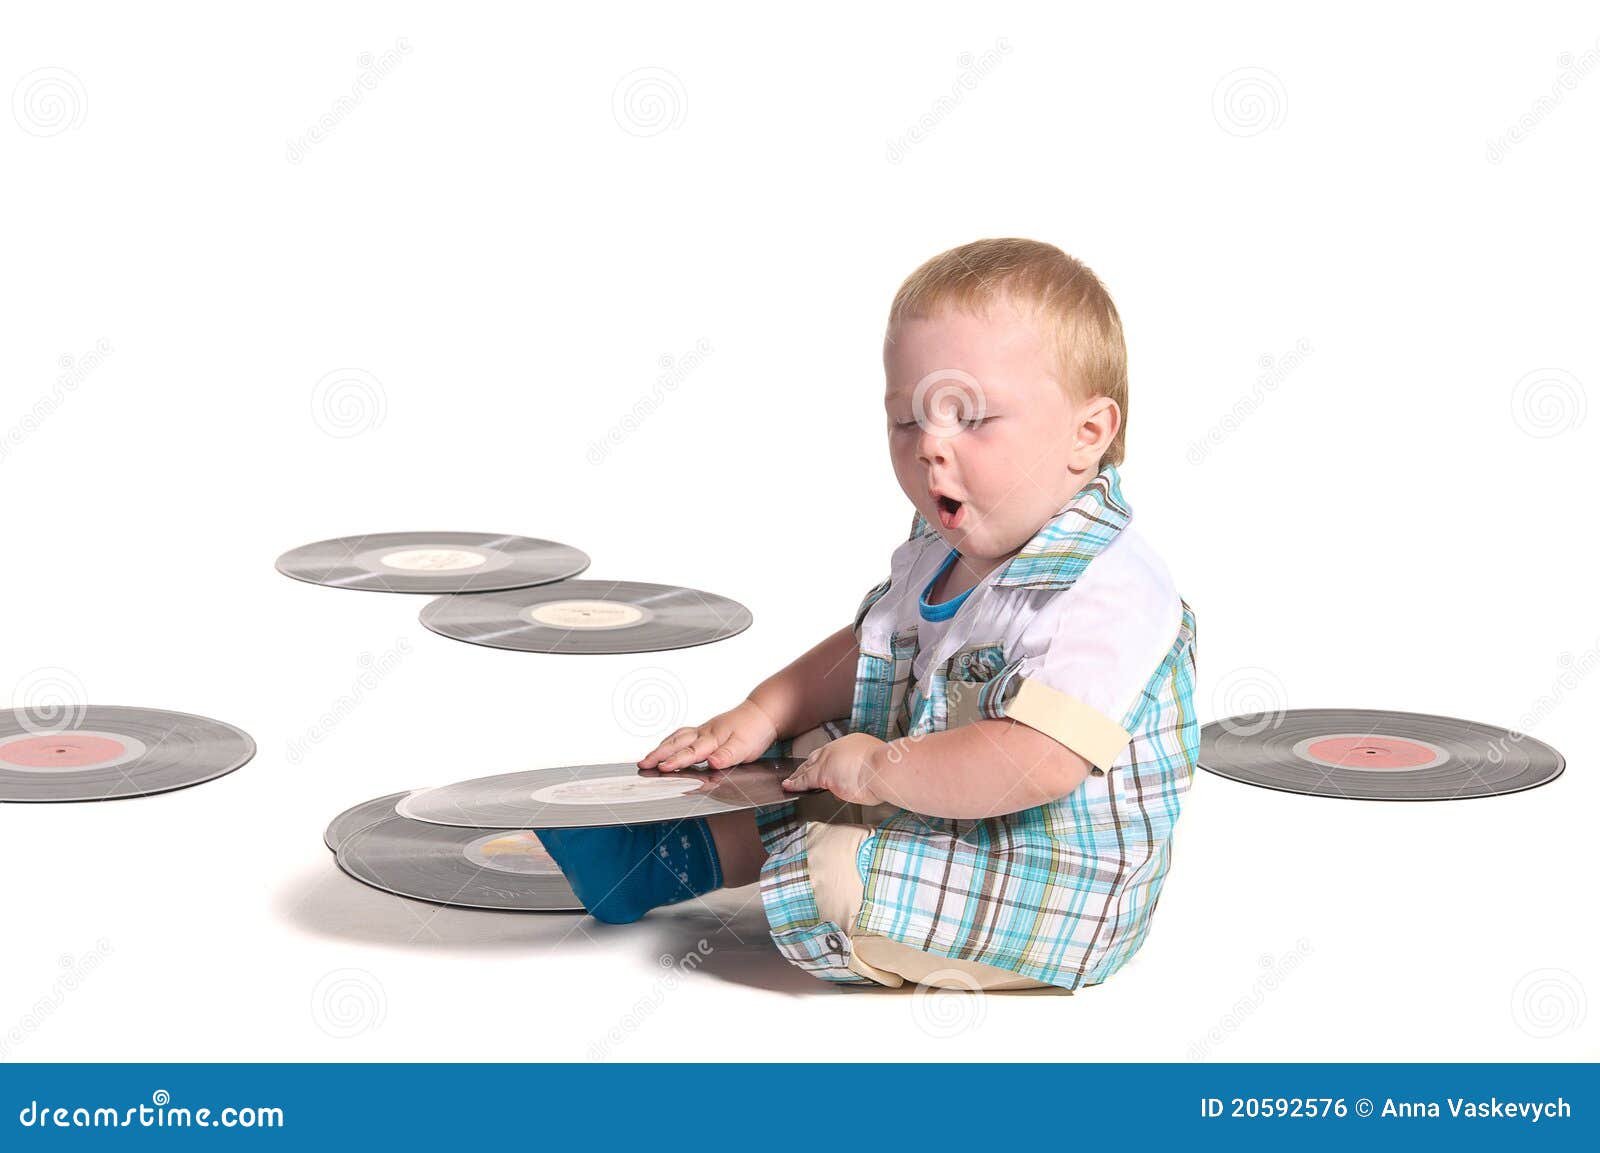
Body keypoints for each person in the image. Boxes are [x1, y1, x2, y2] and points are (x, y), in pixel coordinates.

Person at [538, 237, 1199, 993]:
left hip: (1051, 878)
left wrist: (882, 769)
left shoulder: (1107, 585)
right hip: (940, 802)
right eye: (906, 421)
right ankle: (663, 855)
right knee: (812, 751)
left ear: (1088, 434)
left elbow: (1037, 761)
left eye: (972, 419)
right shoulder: (944, 545)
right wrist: (763, 712)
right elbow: (873, 646)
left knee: (835, 866)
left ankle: (830, 882)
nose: (928, 449)